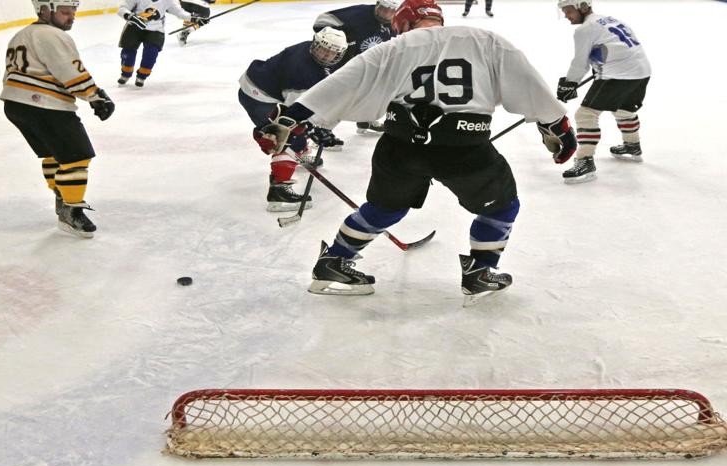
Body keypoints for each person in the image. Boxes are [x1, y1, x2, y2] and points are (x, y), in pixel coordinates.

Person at [261, 2, 575, 301]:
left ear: (403, 24)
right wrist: (556, 124)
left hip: (399, 145)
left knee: (385, 207)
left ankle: (334, 261)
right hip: (463, 147)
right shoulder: (485, 40)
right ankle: (481, 270)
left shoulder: (395, 47)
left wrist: (295, 117)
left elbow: (346, 81)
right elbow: (526, 82)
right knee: (500, 207)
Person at [1, 0, 114, 237]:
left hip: (15, 105)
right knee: (77, 156)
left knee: (54, 154)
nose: (71, 17)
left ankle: (61, 198)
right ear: (44, 10)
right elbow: (70, 70)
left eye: (73, 12)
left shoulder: (21, 35)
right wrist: (95, 96)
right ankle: (71, 211)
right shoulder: (51, 35)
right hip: (42, 104)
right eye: (65, 12)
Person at [241, 28, 349, 211]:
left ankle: (297, 152)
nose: (327, 55)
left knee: (297, 128)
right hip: (259, 96)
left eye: (333, 53)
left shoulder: (308, 52)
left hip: (266, 89)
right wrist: (315, 129)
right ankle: (279, 192)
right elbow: (294, 112)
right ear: (315, 44)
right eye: (323, 49)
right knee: (288, 134)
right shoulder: (301, 69)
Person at [554, 0, 650, 183]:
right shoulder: (610, 19)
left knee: (585, 114)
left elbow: (580, 63)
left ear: (582, 6)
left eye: (568, 10)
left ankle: (585, 162)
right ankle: (632, 146)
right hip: (642, 71)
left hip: (619, 74)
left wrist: (569, 83)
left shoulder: (584, 29)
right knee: (624, 108)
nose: (566, 15)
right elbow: (624, 46)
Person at [311, 1, 401, 143]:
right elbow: (321, 21)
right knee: (343, 97)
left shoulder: (398, 20)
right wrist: (344, 35)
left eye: (391, 10)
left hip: (369, 65)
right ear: (377, 4)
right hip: (344, 66)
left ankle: (366, 119)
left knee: (376, 92)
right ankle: (322, 130)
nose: (386, 13)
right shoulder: (359, 13)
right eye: (383, 8)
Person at [116, 0, 194, 87]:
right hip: (134, 27)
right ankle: (126, 73)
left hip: (156, 30)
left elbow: (180, 12)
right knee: (128, 52)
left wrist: (194, 18)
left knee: (151, 54)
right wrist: (130, 16)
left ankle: (142, 75)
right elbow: (122, 8)